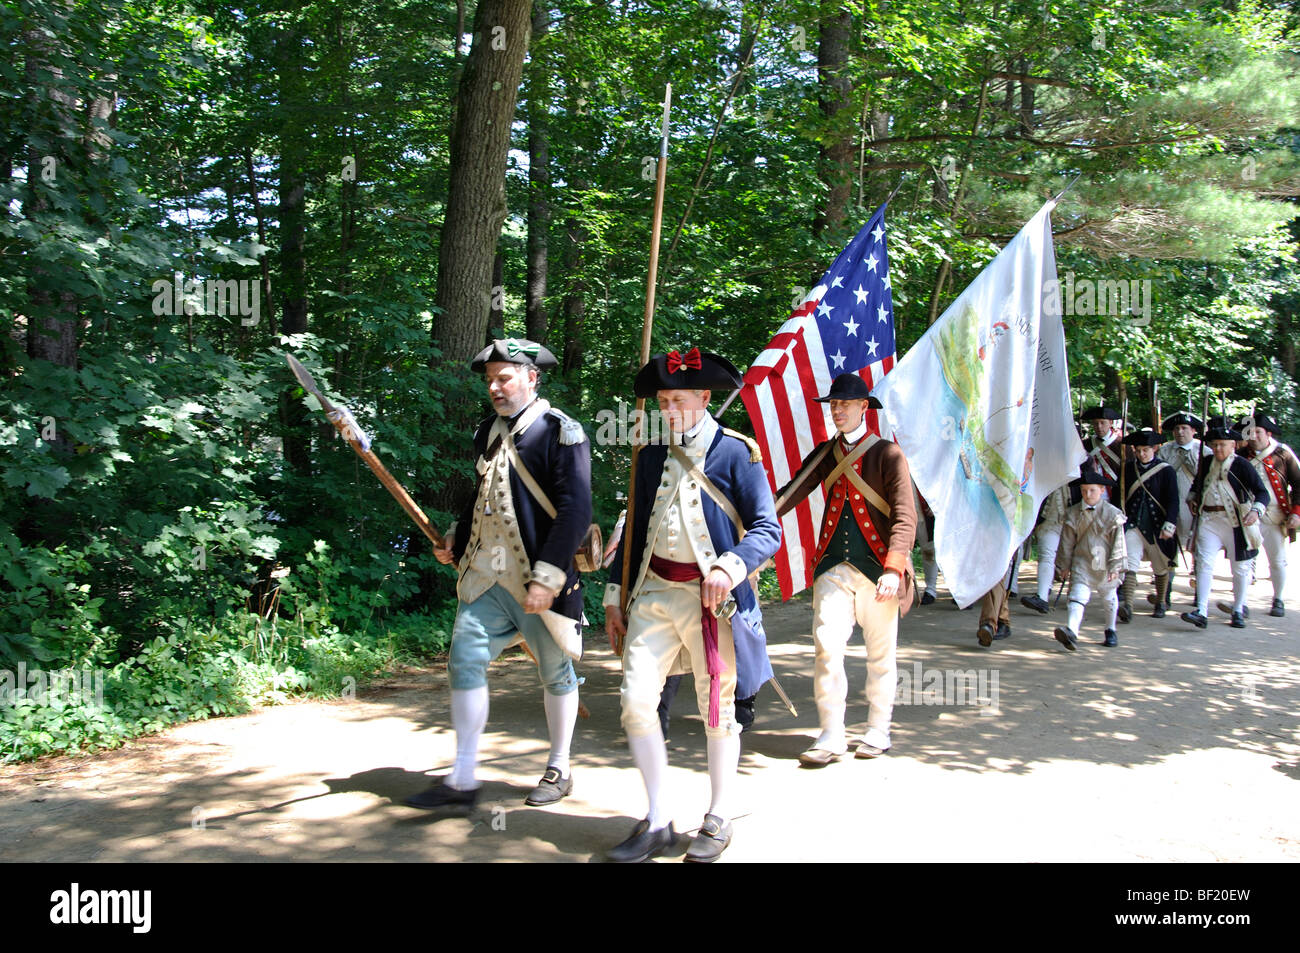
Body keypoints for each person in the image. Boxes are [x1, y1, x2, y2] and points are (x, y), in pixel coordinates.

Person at [604, 349, 780, 864]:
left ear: (705, 398)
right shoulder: (649, 454)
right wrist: (615, 597)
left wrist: (730, 566)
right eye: (662, 400)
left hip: (713, 602)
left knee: (717, 710)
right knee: (636, 702)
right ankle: (658, 818)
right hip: (654, 594)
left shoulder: (737, 454)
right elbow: (634, 533)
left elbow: (768, 529)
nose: (670, 408)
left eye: (679, 398)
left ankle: (719, 814)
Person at [405, 339, 591, 812]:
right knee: (463, 662)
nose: (494, 387)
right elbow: (481, 493)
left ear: (532, 377)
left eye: (504, 377)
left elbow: (574, 511)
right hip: (485, 575)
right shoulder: (486, 431)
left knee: (555, 672)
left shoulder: (560, 432)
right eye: (489, 379)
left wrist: (548, 578)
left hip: (535, 576)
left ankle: (560, 765)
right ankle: (463, 776)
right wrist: (455, 536)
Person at [773, 373, 917, 765]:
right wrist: (752, 520)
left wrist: (894, 569)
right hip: (834, 566)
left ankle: (878, 730)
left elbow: (906, 517)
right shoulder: (826, 453)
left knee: (881, 657)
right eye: (833, 405)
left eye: (845, 404)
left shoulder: (888, 454)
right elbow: (790, 493)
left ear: (863, 408)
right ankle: (831, 734)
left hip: (878, 571)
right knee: (826, 650)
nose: (837, 410)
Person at [1180, 424, 1270, 629]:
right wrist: (1192, 498)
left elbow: (1261, 492)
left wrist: (1256, 511)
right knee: (1203, 563)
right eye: (1215, 445)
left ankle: (1238, 609)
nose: (1218, 449)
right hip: (1209, 520)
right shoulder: (1206, 462)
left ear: (1233, 445)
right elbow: (1197, 486)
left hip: (1235, 522)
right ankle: (1201, 611)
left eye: (1222, 445)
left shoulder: (1242, 465)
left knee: (1240, 568)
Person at [1053, 468, 1127, 649]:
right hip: (1082, 561)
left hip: (1104, 562)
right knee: (1077, 596)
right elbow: (1067, 541)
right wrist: (1064, 564)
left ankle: (1110, 630)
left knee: (1109, 598)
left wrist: (1116, 565)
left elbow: (1119, 543)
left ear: (1102, 490)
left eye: (1092, 490)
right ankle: (1071, 631)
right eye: (1084, 490)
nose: (1087, 494)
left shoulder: (1113, 513)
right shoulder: (1073, 513)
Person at [1240, 413, 1299, 617]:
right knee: (1244, 560)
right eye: (1250, 432)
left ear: (1268, 433)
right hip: (1247, 514)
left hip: (1274, 515)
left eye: (1258, 432)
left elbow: (1298, 484)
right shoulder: (1240, 455)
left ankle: (1278, 599)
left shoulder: (1283, 454)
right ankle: (1241, 602)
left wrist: (1296, 513)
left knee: (1277, 560)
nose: (1253, 436)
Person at [1118, 429, 1180, 620]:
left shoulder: (1166, 470)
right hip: (1133, 523)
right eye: (1138, 450)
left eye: (1145, 450)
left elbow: (1173, 500)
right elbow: (1118, 496)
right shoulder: (1127, 469)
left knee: (1160, 566)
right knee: (1130, 563)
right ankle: (1127, 605)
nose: (1141, 454)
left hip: (1156, 525)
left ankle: (1161, 602)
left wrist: (1170, 523)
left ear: (1154, 449)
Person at [1156, 411, 1208, 608]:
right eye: (1177, 428)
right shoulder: (1165, 450)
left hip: (1191, 506)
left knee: (1199, 549)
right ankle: (1165, 592)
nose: (1180, 432)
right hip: (1168, 505)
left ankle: (1199, 591)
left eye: (1184, 428)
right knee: (1168, 549)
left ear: (1194, 431)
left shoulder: (1204, 451)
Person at [1021, 482, 1074, 613]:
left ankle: (1075, 599)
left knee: (1077, 558)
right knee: (1046, 555)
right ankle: (1042, 597)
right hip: (1049, 520)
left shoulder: (1084, 466)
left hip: (1074, 519)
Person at [1082, 405, 1123, 499]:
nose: (1099, 427)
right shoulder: (1085, 444)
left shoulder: (1122, 445)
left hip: (1115, 492)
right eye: (1096, 423)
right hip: (1091, 493)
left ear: (1110, 423)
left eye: (1102, 423)